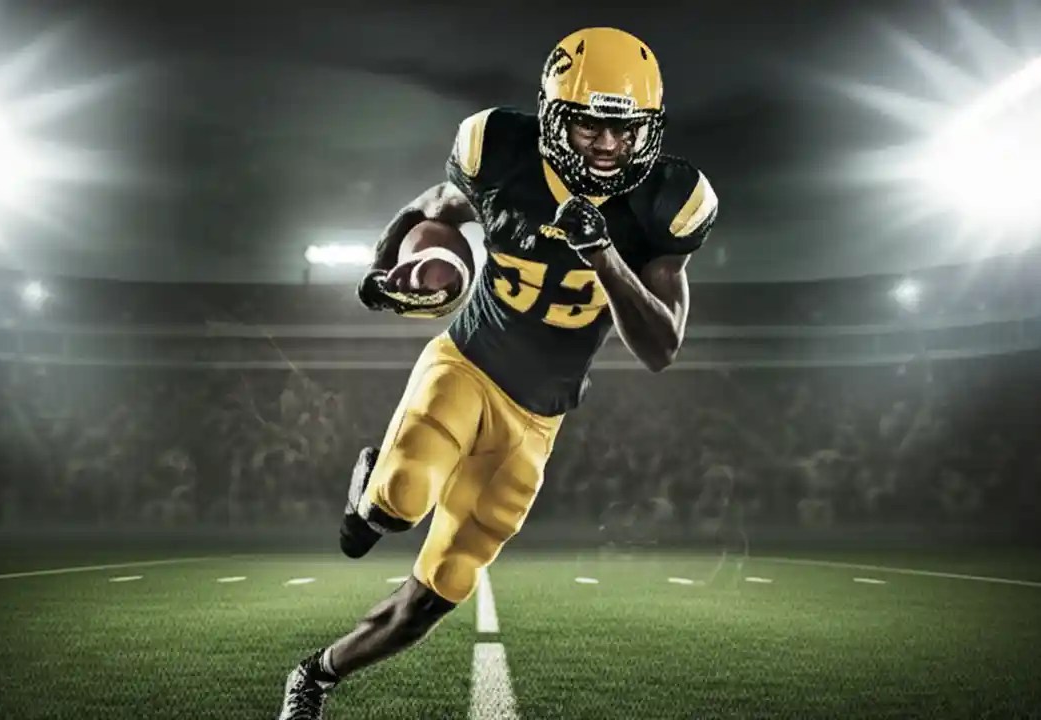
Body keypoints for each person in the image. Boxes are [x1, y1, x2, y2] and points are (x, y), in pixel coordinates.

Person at [277, 26, 718, 719]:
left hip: (538, 419)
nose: (608, 147)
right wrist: (397, 271)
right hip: (469, 362)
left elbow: (661, 347)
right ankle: (369, 502)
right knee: (401, 500)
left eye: (623, 131)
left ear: (649, 129)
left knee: (435, 593)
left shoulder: (671, 200)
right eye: (588, 128)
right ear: (551, 120)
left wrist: (602, 254)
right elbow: (433, 212)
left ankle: (316, 674)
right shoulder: (498, 152)